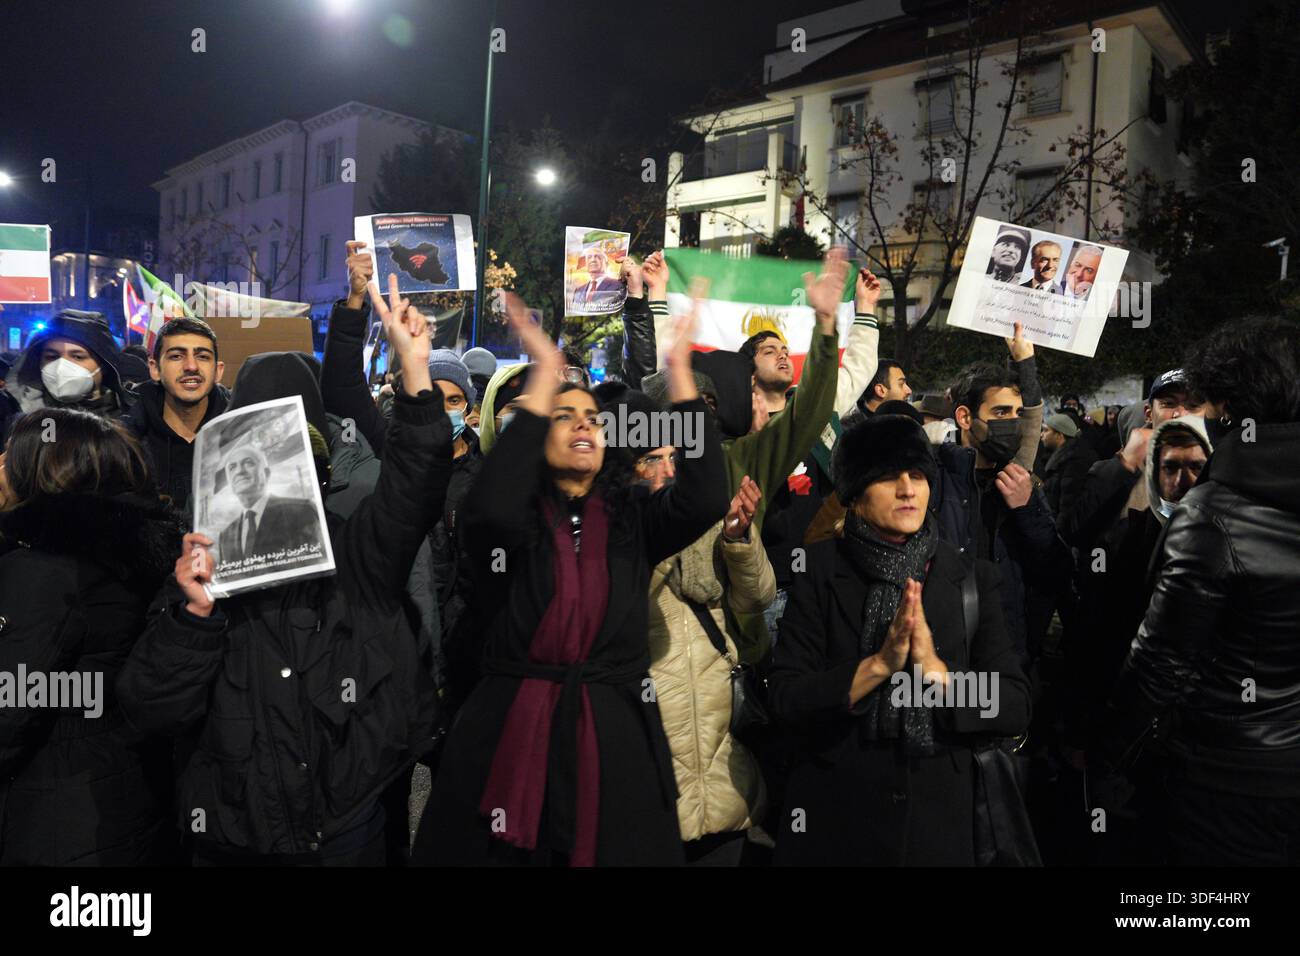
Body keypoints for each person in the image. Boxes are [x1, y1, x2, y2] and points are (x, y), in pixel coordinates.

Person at [116, 274, 451, 866]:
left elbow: (416, 484)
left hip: (343, 828)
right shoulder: (200, 572)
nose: (256, 475)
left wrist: (416, 372)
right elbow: (151, 706)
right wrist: (193, 614)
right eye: (239, 467)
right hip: (234, 835)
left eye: (287, 462)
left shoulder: (359, 552)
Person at [412, 291, 729, 866]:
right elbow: (489, 509)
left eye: (592, 418)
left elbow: (706, 495)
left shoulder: (632, 518)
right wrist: (542, 375)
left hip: (616, 739)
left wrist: (680, 375)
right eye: (565, 417)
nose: (583, 425)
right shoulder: (512, 518)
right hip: (510, 731)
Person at [768, 414, 1031, 865]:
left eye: (917, 475)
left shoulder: (969, 576)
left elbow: (1015, 703)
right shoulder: (818, 571)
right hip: (837, 823)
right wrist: (877, 667)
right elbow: (786, 699)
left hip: (944, 825)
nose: (908, 489)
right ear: (853, 493)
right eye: (888, 477)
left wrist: (939, 673)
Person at [1104, 317, 1300, 865]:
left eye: (1205, 403)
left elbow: (1161, 665)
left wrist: (1109, 758)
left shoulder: (1211, 517)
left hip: (1220, 780)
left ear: (1227, 410)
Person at [0, 408, 181, 865]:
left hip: (54, 824)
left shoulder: (42, 572)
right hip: (117, 805)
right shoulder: (126, 551)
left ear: (41, 472)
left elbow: (8, 711)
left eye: (9, 456)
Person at [125, 316, 229, 511]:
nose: (191, 366)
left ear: (218, 371)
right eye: (176, 356)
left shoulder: (244, 432)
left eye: (203, 356)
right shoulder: (125, 441)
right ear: (155, 369)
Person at [0, 309, 135, 444]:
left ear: (104, 364)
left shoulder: (132, 417)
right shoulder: (15, 414)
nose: (60, 367)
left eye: (77, 356)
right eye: (52, 356)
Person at [213, 442, 320, 567]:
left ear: (267, 473)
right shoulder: (225, 536)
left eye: (248, 463)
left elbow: (318, 563)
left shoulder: (302, 511)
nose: (239, 471)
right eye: (232, 467)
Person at [1039, 411, 1097, 517]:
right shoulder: (1056, 456)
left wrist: (1058, 530)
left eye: (1046, 430)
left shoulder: (1075, 461)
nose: (1041, 434)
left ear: (1059, 435)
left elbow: (1068, 504)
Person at [569, 244, 623, 313]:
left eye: (598, 257)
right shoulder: (578, 291)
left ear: (606, 264)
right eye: (589, 257)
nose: (593, 260)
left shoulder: (617, 285)